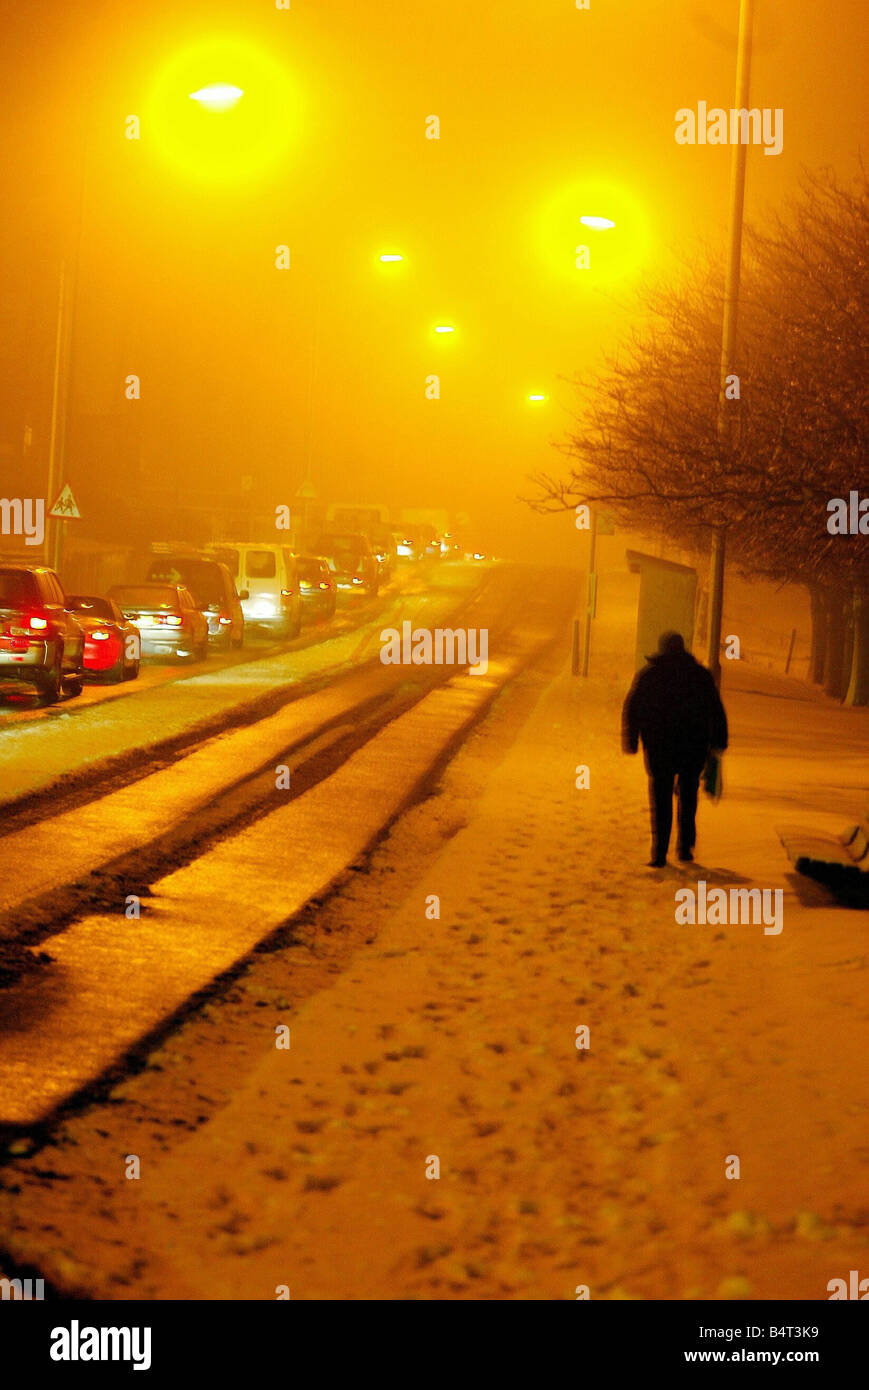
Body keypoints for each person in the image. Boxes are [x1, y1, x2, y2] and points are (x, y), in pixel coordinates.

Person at [622, 631, 728, 867]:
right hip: (693, 747)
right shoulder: (701, 676)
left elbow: (633, 708)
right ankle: (685, 848)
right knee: (689, 798)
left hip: (660, 748)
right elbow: (715, 709)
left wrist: (632, 740)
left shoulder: (649, 676)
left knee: (660, 799)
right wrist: (719, 741)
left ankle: (659, 852)